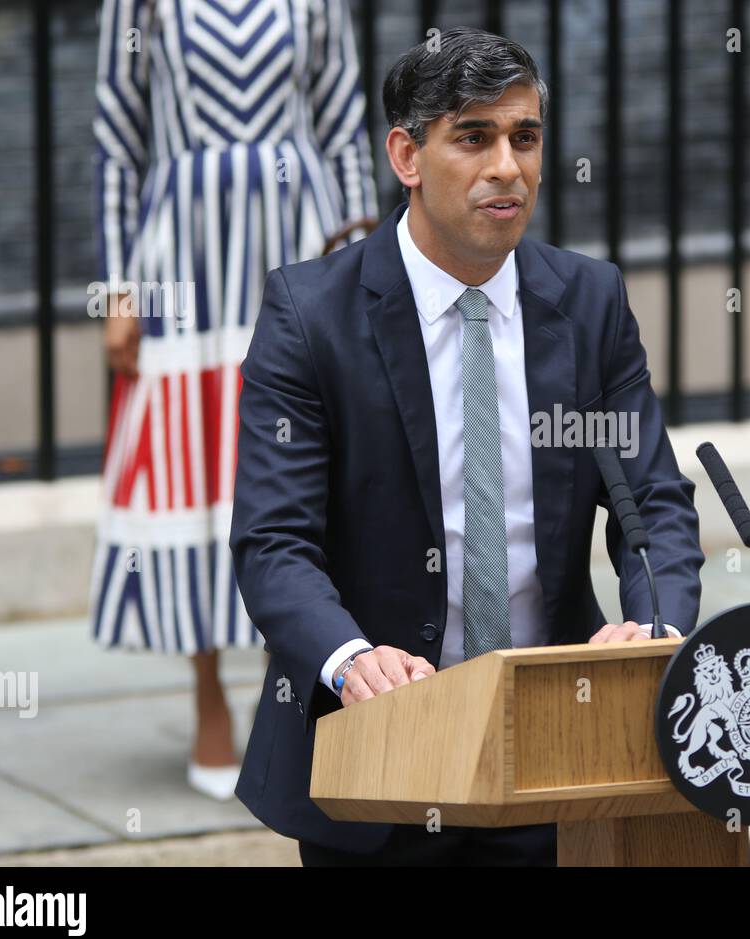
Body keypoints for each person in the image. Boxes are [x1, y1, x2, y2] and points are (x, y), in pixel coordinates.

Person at [230, 27, 704, 866]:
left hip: (560, 744)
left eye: (524, 137)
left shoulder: (588, 302)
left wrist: (654, 626)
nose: (507, 168)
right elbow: (274, 543)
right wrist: (351, 661)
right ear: (407, 156)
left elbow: (653, 502)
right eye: (474, 138)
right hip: (378, 760)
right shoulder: (311, 317)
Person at [89, 0, 377, 799]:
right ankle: (207, 690)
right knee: (194, 455)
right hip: (182, 245)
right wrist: (117, 288)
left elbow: (343, 123)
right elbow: (118, 141)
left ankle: (283, 687)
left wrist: (359, 256)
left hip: (298, 225)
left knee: (302, 448)